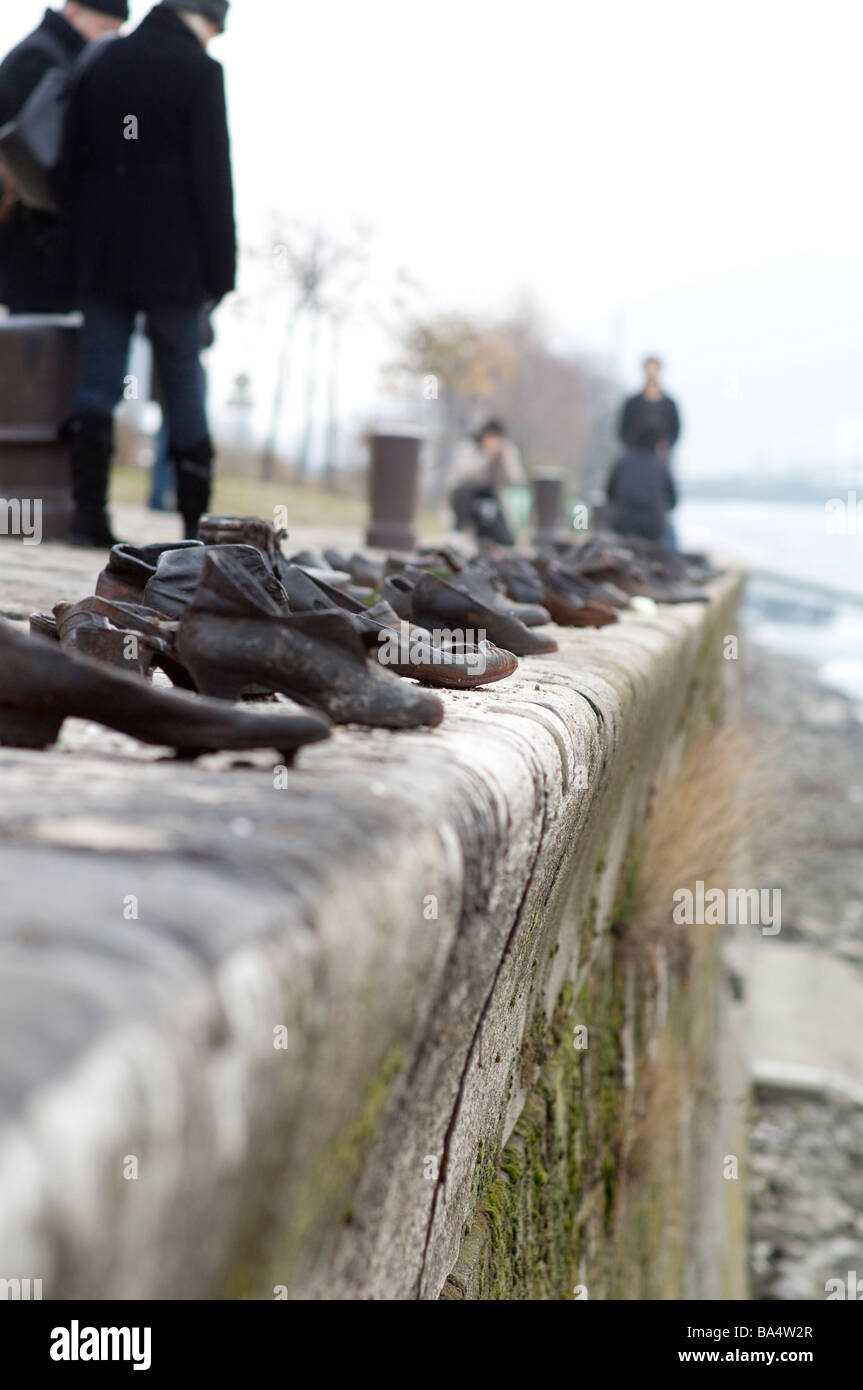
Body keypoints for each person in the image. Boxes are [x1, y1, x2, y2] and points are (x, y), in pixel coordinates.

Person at [57, 0, 236, 547]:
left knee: (98, 383)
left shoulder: (105, 60)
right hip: (175, 261)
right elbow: (212, 176)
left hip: (105, 254)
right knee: (183, 380)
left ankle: (88, 516)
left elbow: (69, 163)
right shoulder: (201, 72)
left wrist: (83, 240)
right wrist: (221, 271)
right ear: (207, 21)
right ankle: (191, 526)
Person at [0, 3, 128, 315]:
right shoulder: (40, 58)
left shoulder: (62, 56)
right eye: (102, 28)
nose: (105, 40)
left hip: (41, 234)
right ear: (73, 12)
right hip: (32, 235)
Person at [448, 419, 526, 546]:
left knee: (507, 541)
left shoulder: (506, 451)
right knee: (465, 489)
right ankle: (458, 533)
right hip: (467, 499)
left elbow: (516, 480)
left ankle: (485, 540)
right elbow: (466, 475)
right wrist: (487, 456)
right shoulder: (468, 448)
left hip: (492, 501)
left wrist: (507, 459)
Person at [605, 420, 677, 545]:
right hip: (653, 529)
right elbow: (673, 501)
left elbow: (609, 493)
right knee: (671, 535)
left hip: (623, 524)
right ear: (657, 441)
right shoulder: (662, 465)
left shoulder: (623, 461)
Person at [618, 355, 681, 454]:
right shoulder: (633, 403)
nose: (651, 373)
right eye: (649, 369)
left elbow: (675, 430)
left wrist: (666, 445)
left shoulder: (669, 404)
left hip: (660, 457)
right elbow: (623, 429)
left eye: (654, 369)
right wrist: (633, 446)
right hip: (636, 455)